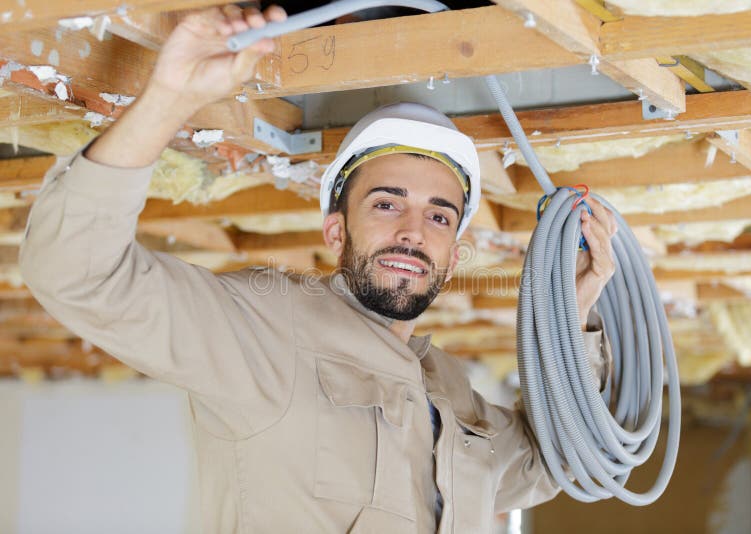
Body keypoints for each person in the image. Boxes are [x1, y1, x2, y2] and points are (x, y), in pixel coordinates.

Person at [19, 4, 618, 533]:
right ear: (336, 230)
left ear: (453, 256)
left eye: (440, 217)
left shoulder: (447, 386)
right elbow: (78, 273)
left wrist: (574, 315)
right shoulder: (265, 331)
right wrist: (171, 97)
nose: (413, 232)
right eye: (387, 204)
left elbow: (557, 463)